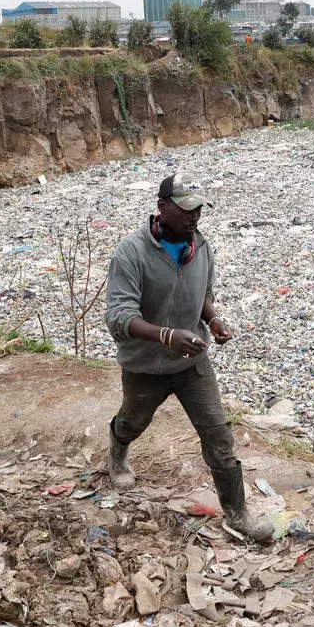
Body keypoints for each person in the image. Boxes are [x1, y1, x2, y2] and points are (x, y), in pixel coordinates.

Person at [104, 174, 274, 542]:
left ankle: (238, 513)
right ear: (162, 207)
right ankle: (117, 451)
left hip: (191, 361)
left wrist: (212, 321)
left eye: (198, 208)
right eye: (185, 209)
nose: (193, 216)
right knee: (133, 422)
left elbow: (202, 294)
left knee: (218, 433)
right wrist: (165, 335)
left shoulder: (200, 246)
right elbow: (119, 316)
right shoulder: (131, 252)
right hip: (145, 365)